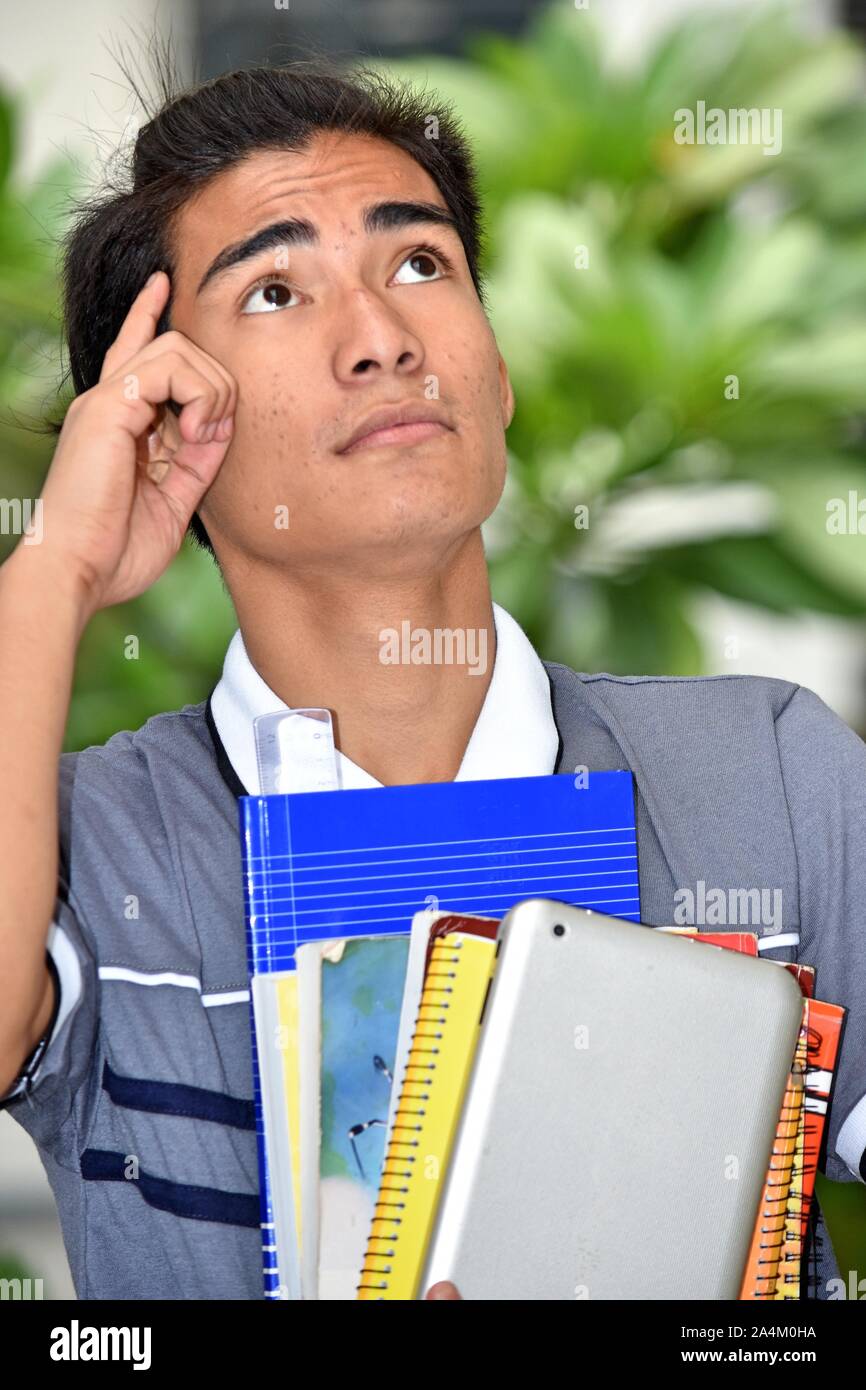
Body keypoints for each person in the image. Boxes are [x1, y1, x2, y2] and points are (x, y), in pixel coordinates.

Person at [0, 57, 862, 1303]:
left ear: (497, 373)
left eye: (419, 265)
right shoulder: (96, 846)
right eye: (277, 288)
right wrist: (55, 569)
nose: (382, 340)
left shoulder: (770, 776)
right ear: (159, 421)